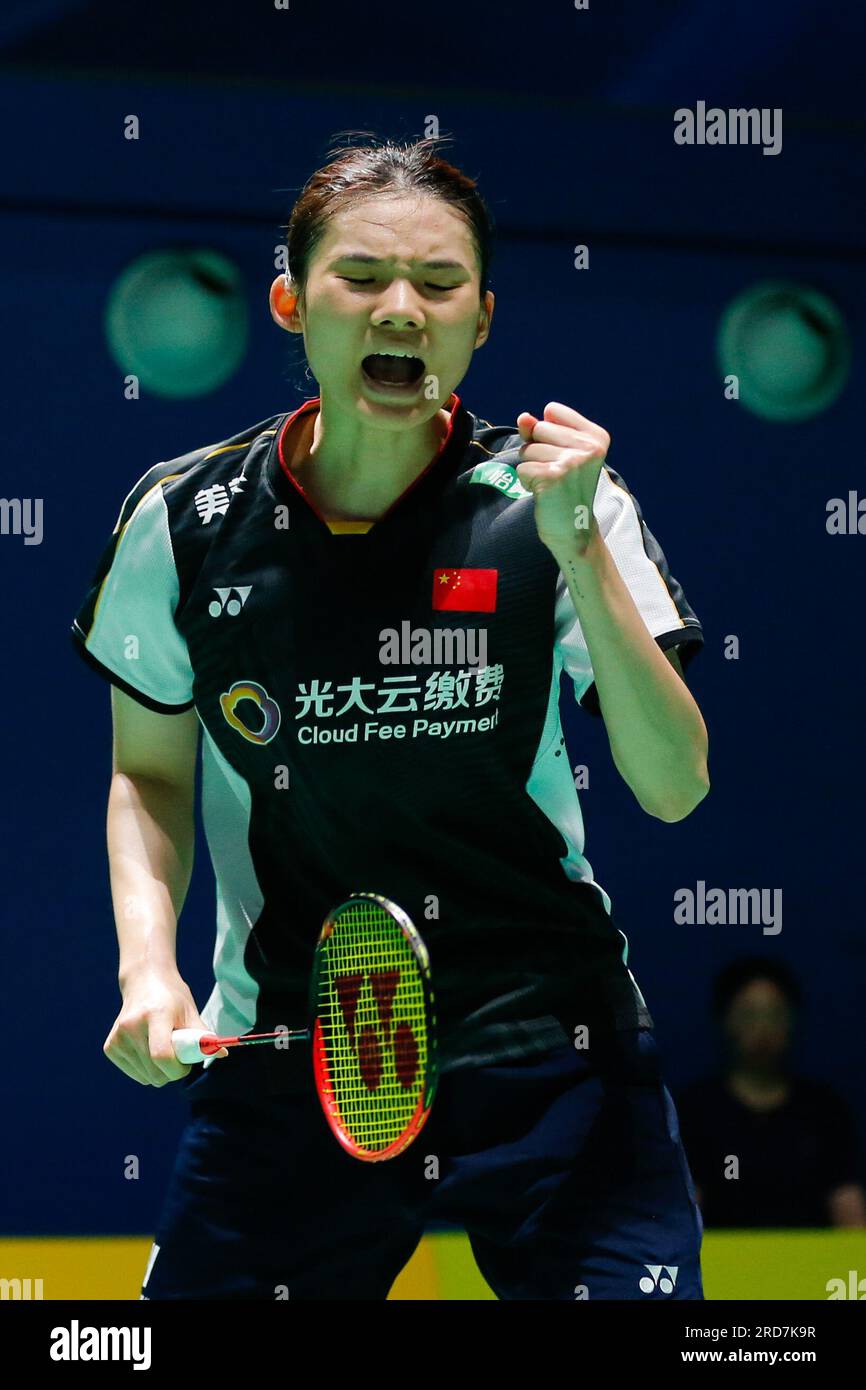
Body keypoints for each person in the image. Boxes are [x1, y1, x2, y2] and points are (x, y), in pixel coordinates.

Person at [71, 134, 710, 1300]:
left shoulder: (556, 498)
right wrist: (148, 968)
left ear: (480, 320)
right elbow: (149, 776)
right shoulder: (186, 523)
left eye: (438, 284)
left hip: (550, 1044)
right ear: (290, 304)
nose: (399, 309)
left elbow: (672, 784)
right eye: (360, 278)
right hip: (303, 1049)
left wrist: (577, 551)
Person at [676, 958, 866, 1229]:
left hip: (813, 1266)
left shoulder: (825, 1110)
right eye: (749, 1014)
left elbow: (849, 1210)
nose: (763, 1029)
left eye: (775, 1014)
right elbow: (684, 1213)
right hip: (719, 1265)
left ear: (792, 1020)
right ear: (725, 1020)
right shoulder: (695, 1110)